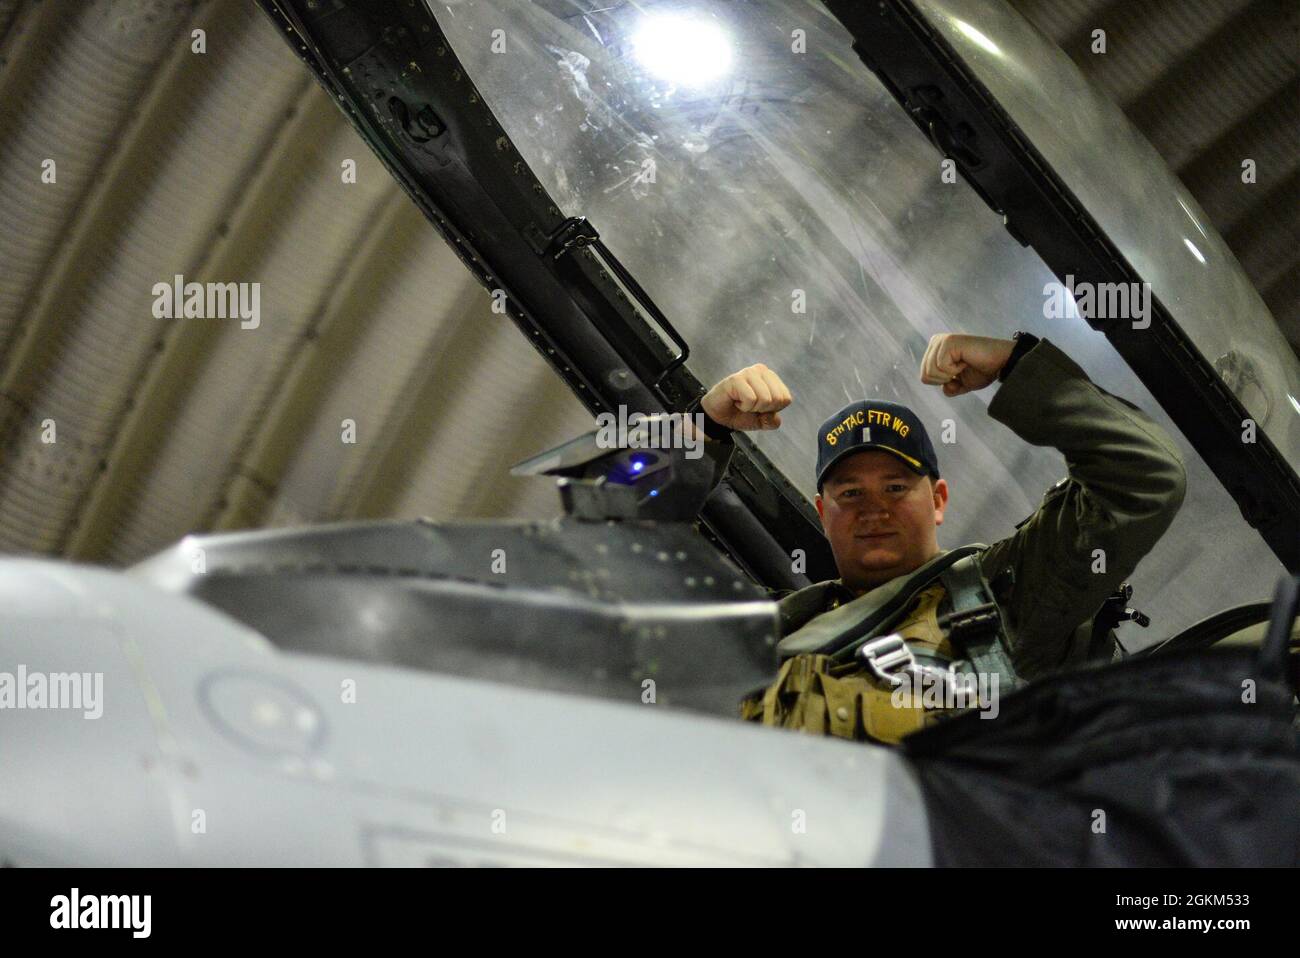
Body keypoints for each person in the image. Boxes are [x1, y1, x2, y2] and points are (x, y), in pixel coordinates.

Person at [688, 332, 1188, 744]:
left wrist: (1014, 366)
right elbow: (618, 559)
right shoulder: (771, 628)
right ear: (823, 513)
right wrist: (701, 429)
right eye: (850, 492)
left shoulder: (1006, 596)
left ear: (940, 500)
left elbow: (1145, 476)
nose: (874, 509)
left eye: (897, 487)